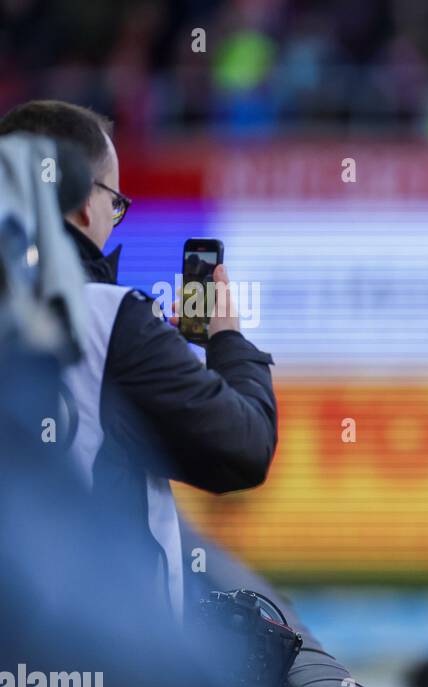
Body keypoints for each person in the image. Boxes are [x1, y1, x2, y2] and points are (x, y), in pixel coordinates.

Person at [0, 100, 278, 619]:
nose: (114, 220)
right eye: (115, 203)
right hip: (101, 665)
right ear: (86, 203)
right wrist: (227, 340)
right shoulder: (110, 319)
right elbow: (244, 448)